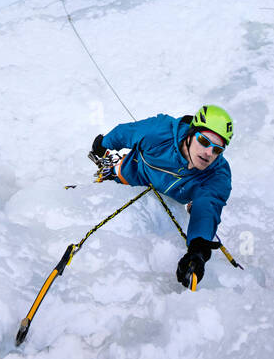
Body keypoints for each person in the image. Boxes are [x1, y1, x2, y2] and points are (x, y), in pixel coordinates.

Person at [90, 104, 233, 287]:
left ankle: (191, 202)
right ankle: (113, 167)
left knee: (200, 202)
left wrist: (198, 248)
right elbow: (125, 133)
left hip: (174, 196)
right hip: (132, 175)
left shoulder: (218, 174)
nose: (208, 153)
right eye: (204, 141)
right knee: (114, 179)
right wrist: (103, 145)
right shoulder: (159, 131)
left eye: (217, 150)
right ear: (191, 133)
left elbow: (208, 206)